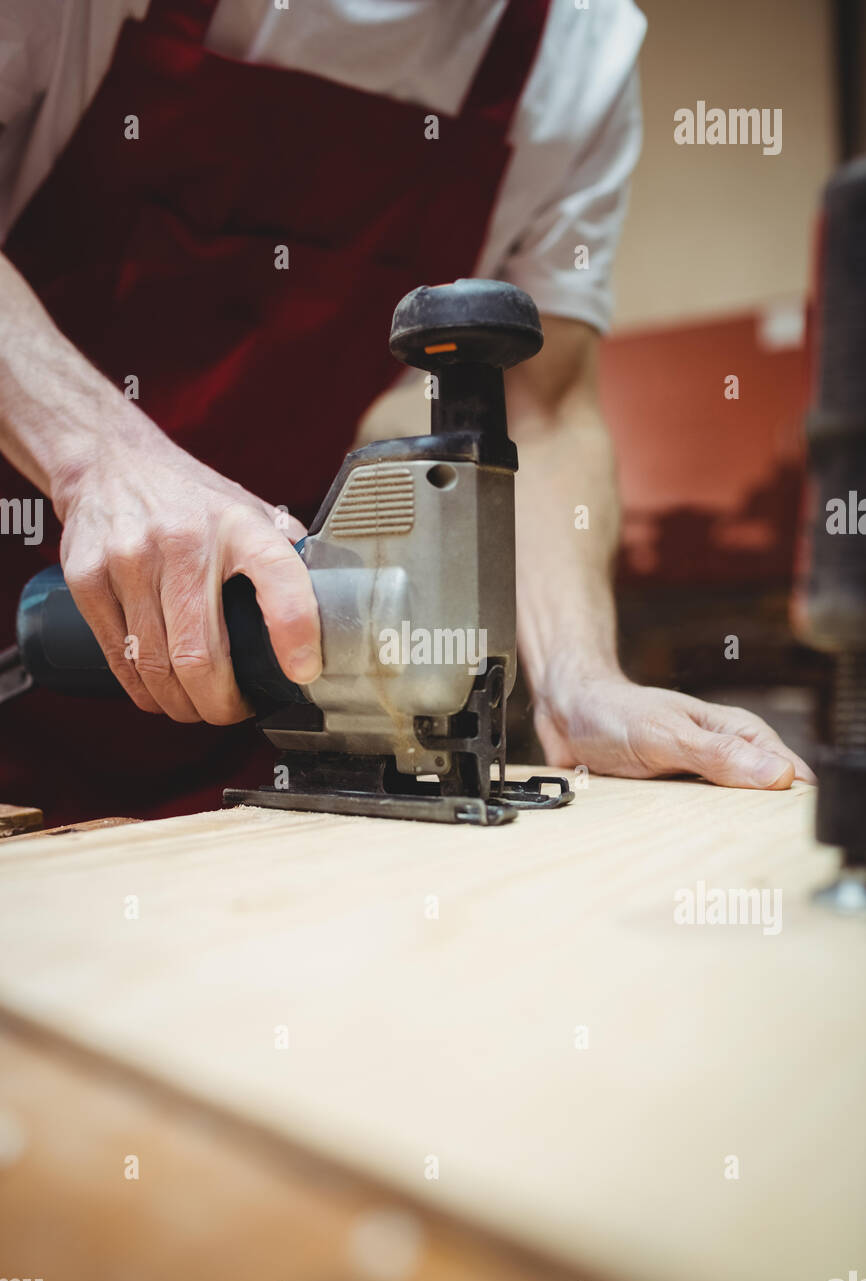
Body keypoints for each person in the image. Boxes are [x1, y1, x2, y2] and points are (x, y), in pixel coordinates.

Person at [0, 0, 812, 824]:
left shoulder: (577, 46)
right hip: (38, 634)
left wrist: (576, 682)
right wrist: (97, 452)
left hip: (265, 687)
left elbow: (546, 403)